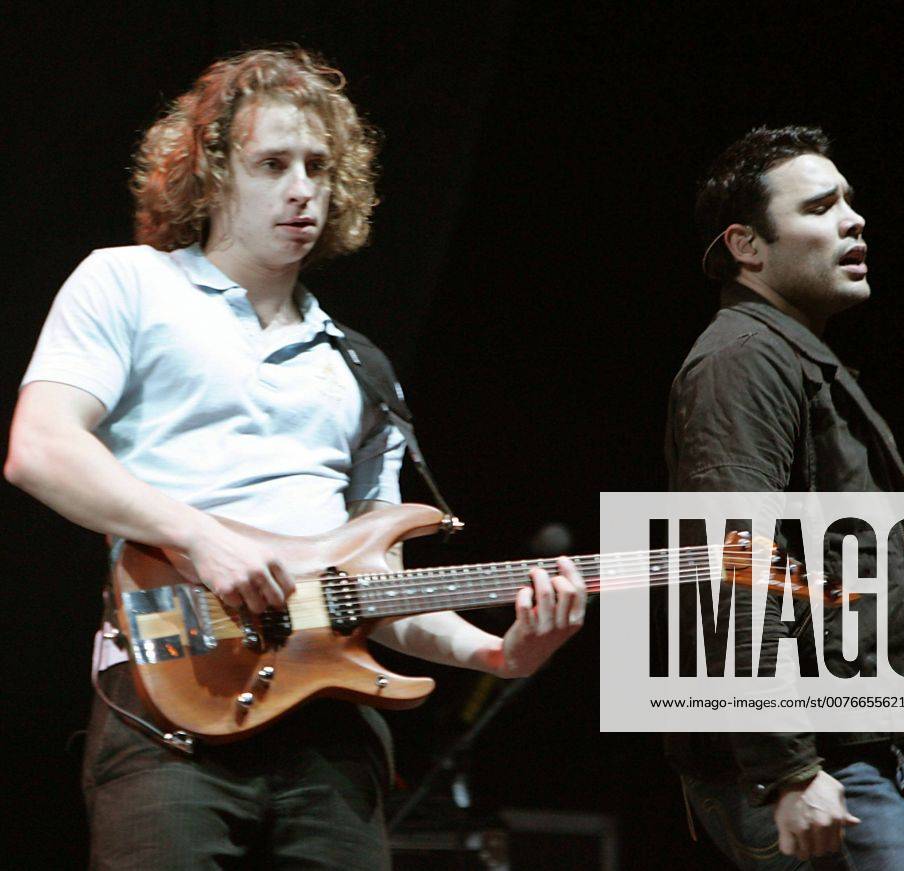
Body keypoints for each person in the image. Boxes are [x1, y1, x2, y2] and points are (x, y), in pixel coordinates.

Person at [5, 47, 586, 870]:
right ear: (212, 175)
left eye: (318, 165)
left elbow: (374, 590)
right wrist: (200, 535)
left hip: (330, 732)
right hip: (169, 699)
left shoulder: (361, 368)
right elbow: (40, 446)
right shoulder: (128, 284)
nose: (303, 187)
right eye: (273, 164)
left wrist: (495, 653)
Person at [660, 126, 904, 870]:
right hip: (816, 759)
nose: (853, 221)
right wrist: (787, 768)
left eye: (849, 202)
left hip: (840, 746)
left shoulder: (787, 356)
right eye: (820, 207)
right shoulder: (742, 361)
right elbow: (735, 564)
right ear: (746, 245)